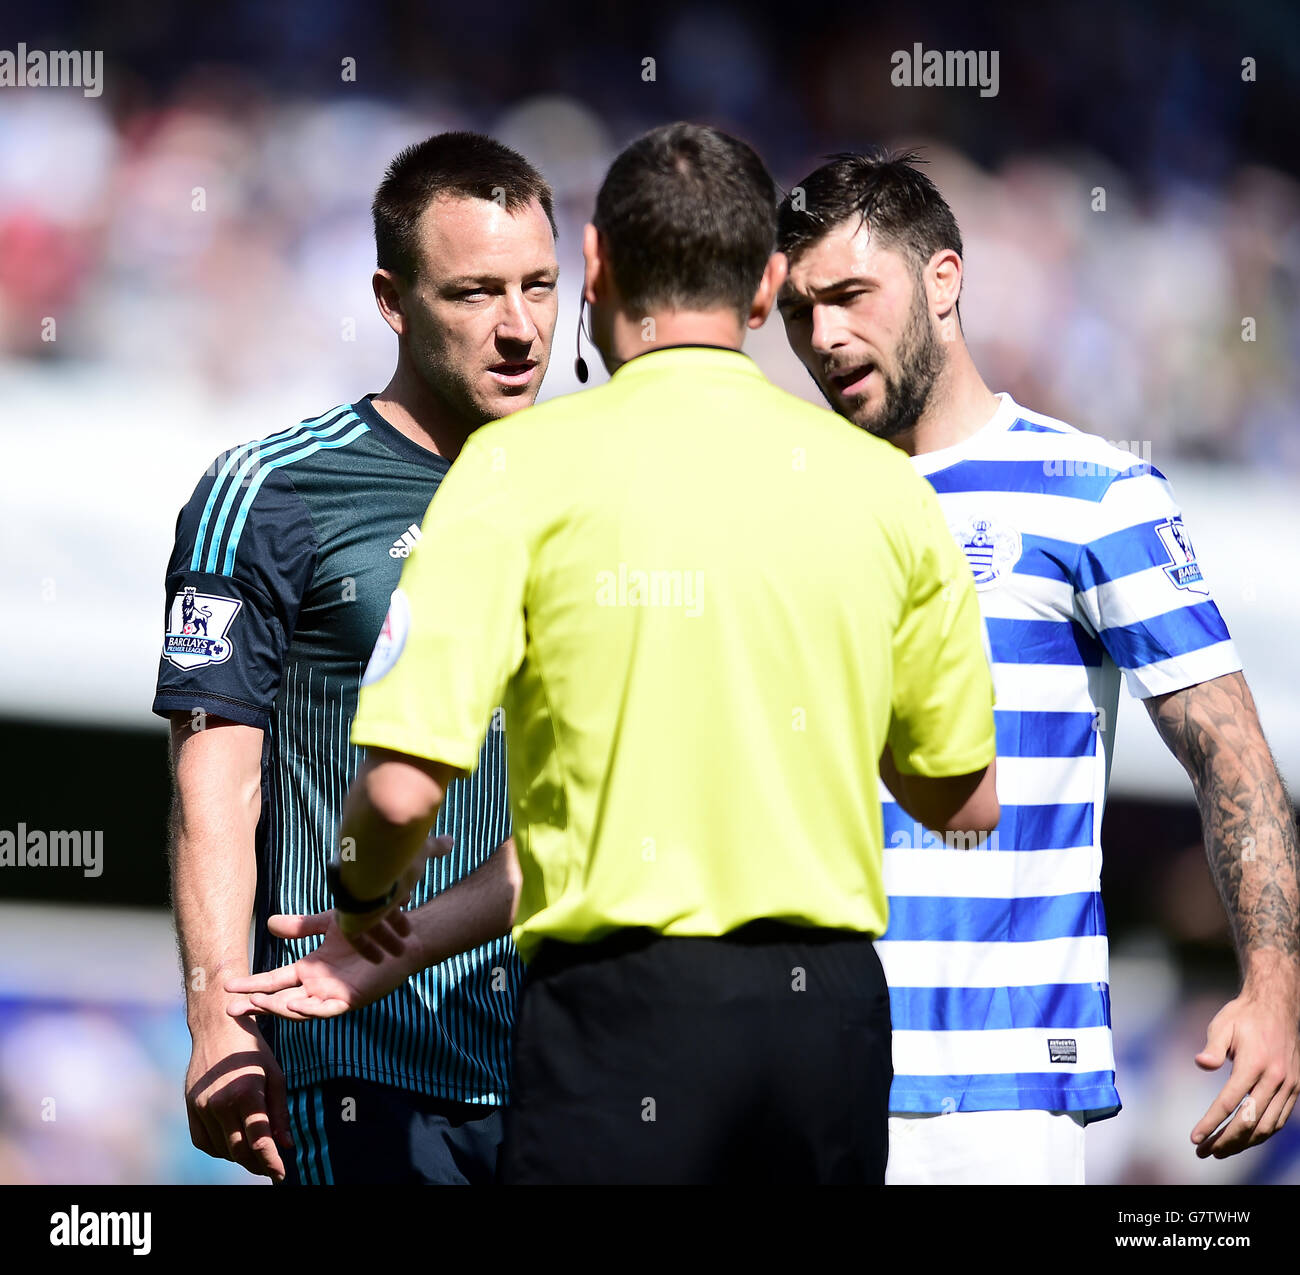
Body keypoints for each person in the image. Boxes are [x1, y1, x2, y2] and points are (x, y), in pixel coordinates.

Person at [226, 122, 1000, 1185]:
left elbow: (402, 798)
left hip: (618, 1014)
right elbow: (961, 797)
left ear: (594, 268)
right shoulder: (880, 488)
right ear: (768, 286)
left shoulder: (518, 470)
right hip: (830, 1021)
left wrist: (361, 902)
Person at [773, 148, 1300, 1183]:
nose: (824, 336)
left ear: (942, 280)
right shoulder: (789, 504)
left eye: (848, 296)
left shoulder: (1093, 494)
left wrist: (1273, 989)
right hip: (798, 1074)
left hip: (999, 1099)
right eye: (797, 311)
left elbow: (1231, 753)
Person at [153, 131, 559, 1185]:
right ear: (392, 298)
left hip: (571, 1069)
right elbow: (218, 786)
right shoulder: (273, 491)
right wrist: (218, 1017)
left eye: (539, 286)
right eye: (474, 292)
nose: (518, 329)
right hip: (361, 1064)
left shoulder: (595, 492)